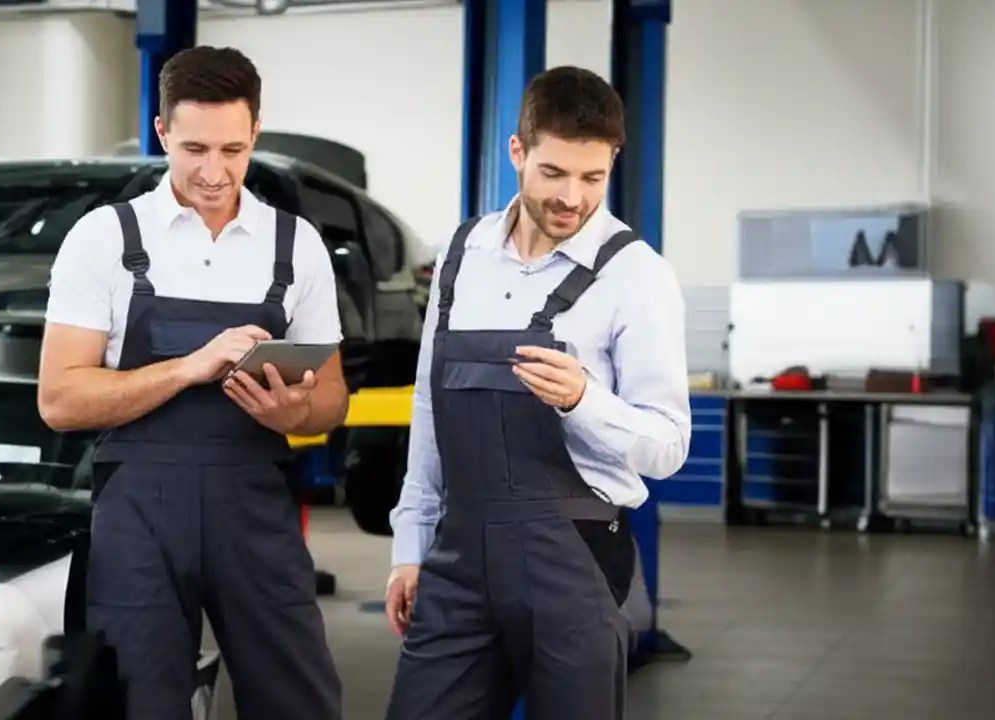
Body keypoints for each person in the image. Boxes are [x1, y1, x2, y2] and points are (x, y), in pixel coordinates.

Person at [37, 46, 345, 720]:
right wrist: (188, 367)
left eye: (233, 149)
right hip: (140, 514)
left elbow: (331, 398)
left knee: (301, 702)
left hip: (255, 506)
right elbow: (60, 400)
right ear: (162, 132)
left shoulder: (294, 245)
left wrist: (291, 411)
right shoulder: (104, 239)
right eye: (195, 148)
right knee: (142, 704)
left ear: (256, 133)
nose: (214, 172)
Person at [383, 65, 692, 720]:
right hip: (458, 555)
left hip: (573, 558)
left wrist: (585, 399)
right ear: (517, 153)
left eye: (592, 178)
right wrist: (410, 548)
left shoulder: (636, 275)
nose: (573, 198)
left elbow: (667, 447)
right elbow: (429, 407)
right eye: (554, 174)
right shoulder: (461, 255)